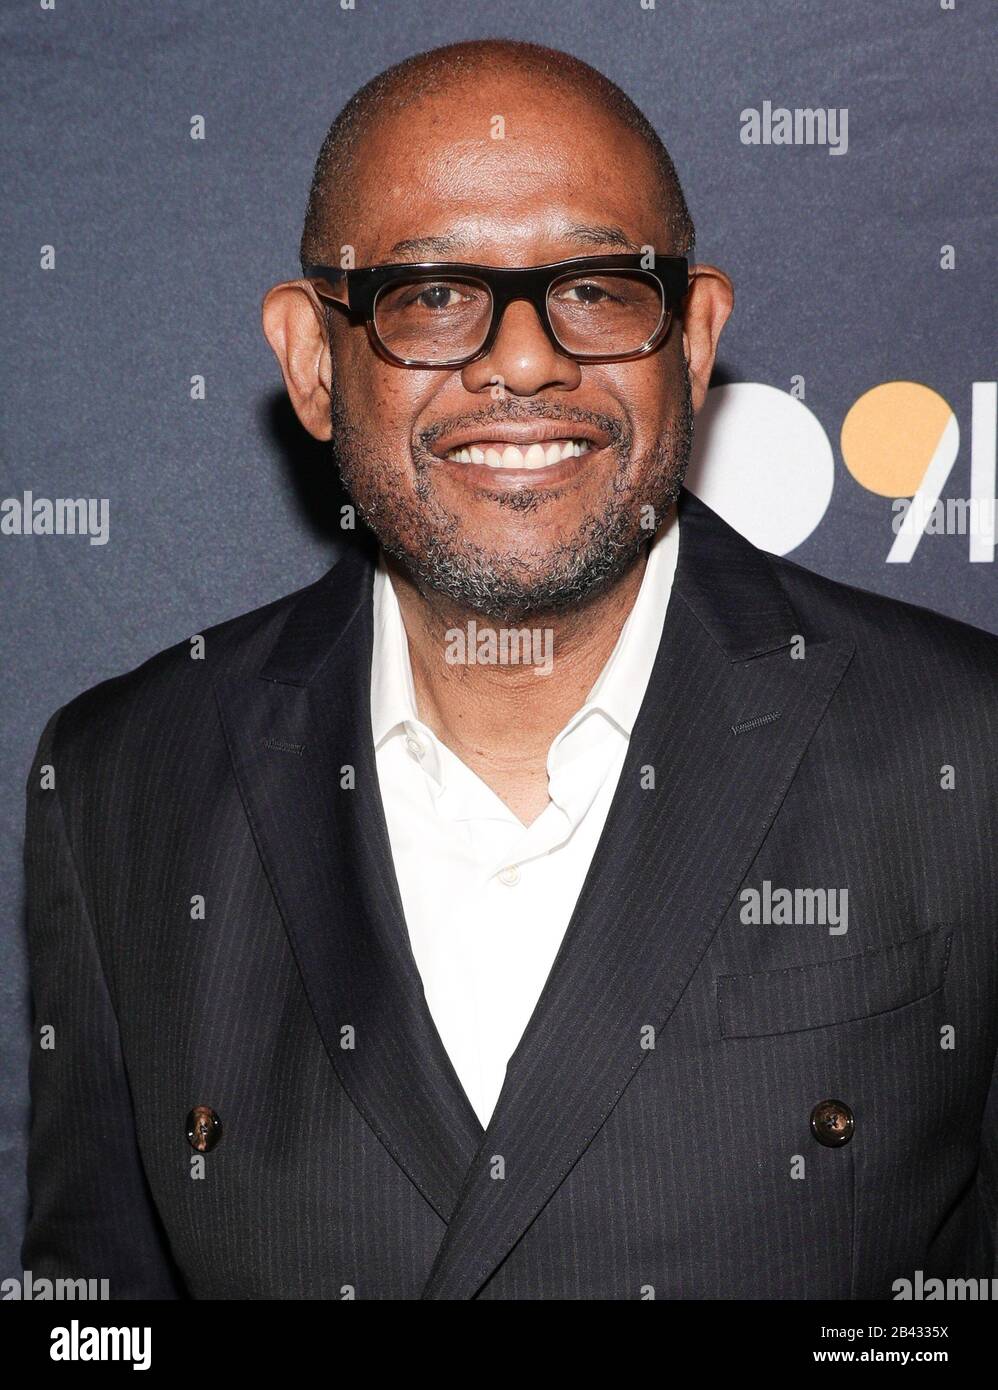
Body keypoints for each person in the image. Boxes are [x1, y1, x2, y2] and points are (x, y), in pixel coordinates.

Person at [21, 38, 997, 1300]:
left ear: (693, 340)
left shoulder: (958, 750)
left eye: (596, 287)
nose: (527, 361)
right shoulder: (123, 783)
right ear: (314, 362)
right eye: (429, 295)